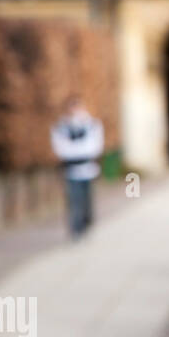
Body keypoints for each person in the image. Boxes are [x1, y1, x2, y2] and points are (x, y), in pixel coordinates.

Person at [51, 95, 105, 238]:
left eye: (78, 107)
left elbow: (94, 147)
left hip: (88, 169)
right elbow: (62, 149)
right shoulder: (62, 127)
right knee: (74, 199)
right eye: (73, 107)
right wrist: (78, 148)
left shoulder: (91, 124)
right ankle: (76, 227)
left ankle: (86, 222)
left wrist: (77, 148)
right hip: (71, 170)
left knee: (86, 199)